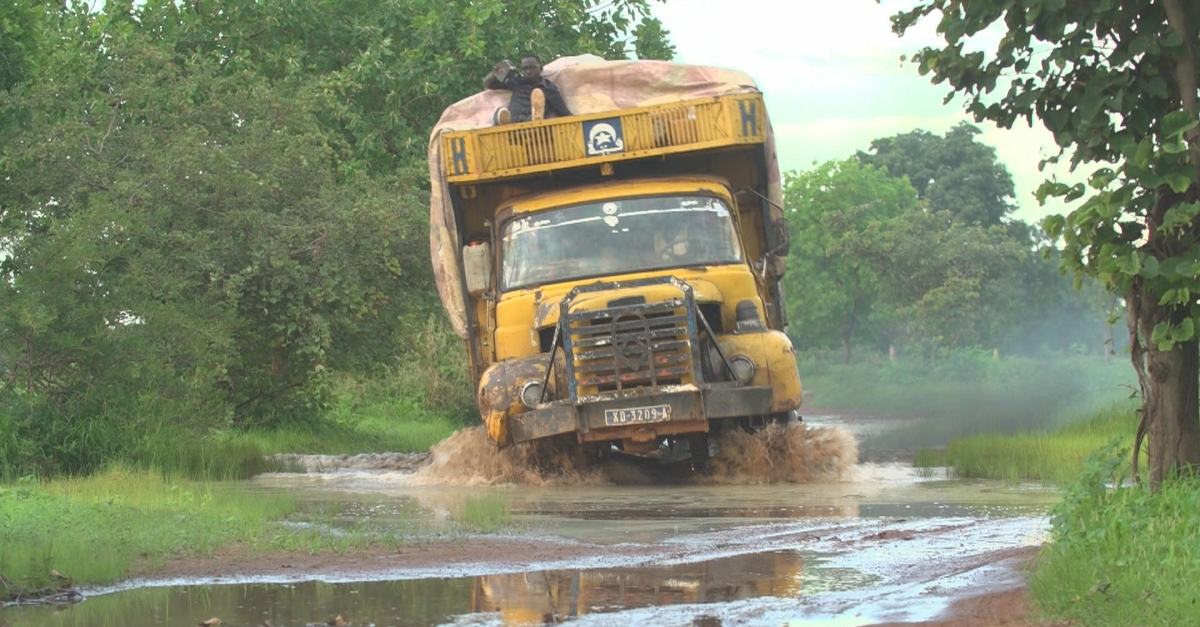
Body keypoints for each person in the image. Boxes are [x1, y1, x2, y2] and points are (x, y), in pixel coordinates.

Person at [484, 54, 572, 125]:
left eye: (532, 68)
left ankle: (536, 116)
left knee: (535, 117)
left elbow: (564, 112)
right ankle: (504, 121)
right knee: (499, 113)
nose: (528, 71)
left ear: (540, 69)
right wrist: (496, 72)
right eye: (525, 69)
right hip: (512, 124)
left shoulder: (548, 87)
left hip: (535, 127)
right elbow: (489, 84)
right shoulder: (516, 81)